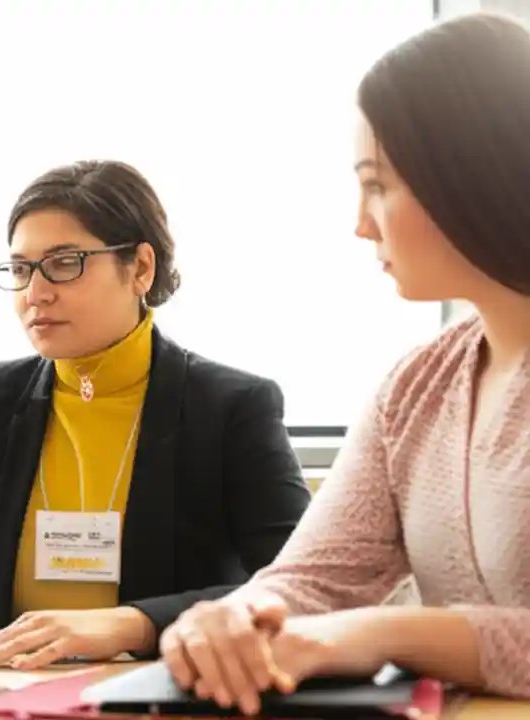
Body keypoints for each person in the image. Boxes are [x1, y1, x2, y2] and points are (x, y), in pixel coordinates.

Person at [157, 12, 530, 716]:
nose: (361, 221)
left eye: (378, 184)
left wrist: (383, 633)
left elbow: (349, 623)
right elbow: (311, 581)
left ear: (470, 169)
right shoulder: (417, 385)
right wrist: (235, 619)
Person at [0, 160, 313, 670]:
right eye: (22, 269)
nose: (36, 292)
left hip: (162, 687)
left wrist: (135, 622)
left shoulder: (230, 406)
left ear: (141, 267)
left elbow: (298, 585)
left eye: (65, 262)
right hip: (13, 691)